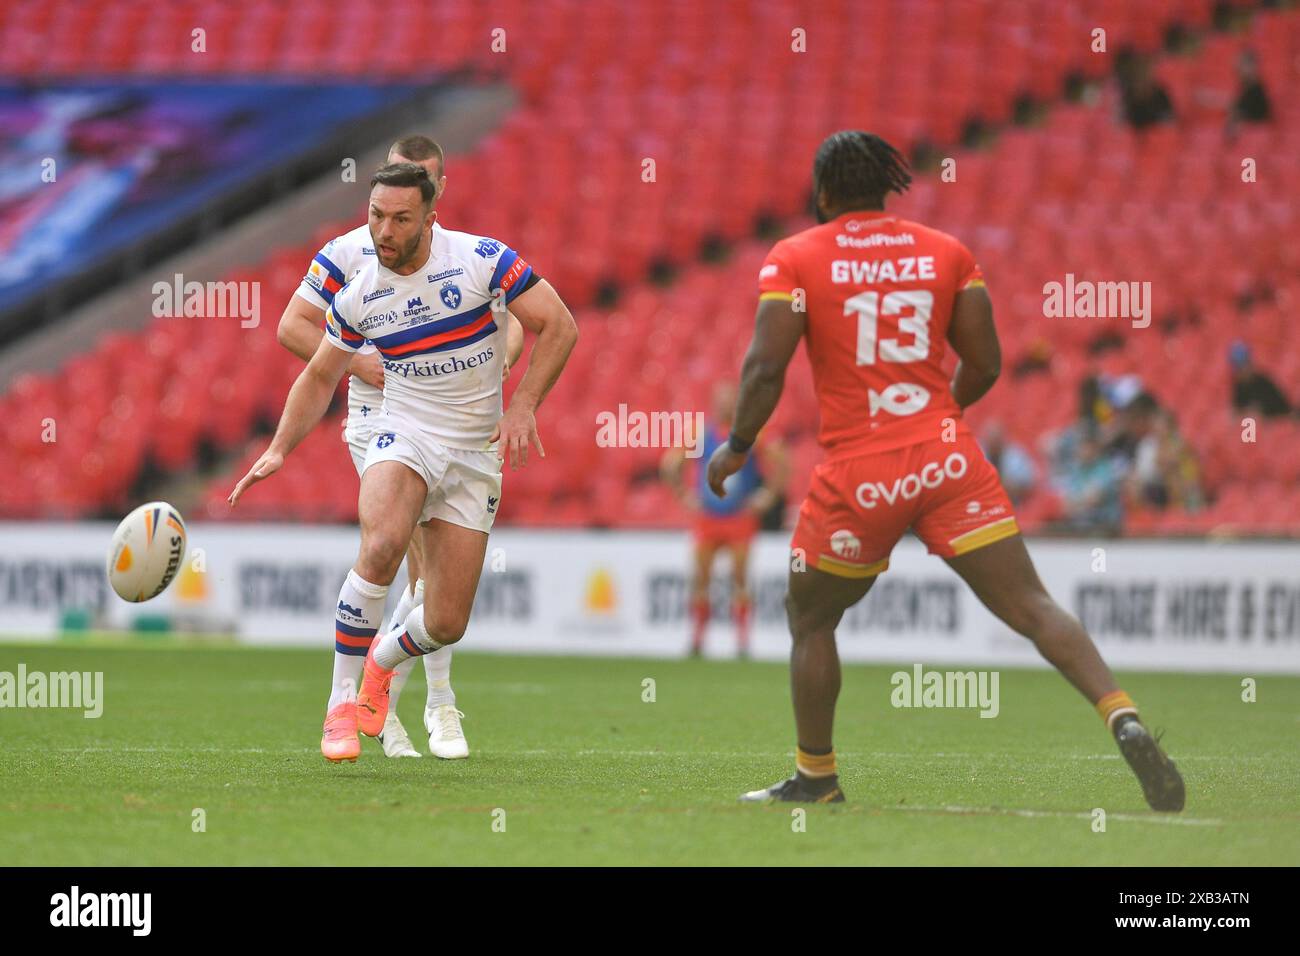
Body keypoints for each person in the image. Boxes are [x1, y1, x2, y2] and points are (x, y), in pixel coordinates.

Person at [707, 130, 1184, 811]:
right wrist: (937, 419)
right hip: (947, 456)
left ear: (822, 193)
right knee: (1033, 605)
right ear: (886, 187)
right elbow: (987, 362)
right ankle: (1121, 713)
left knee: (811, 621)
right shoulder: (946, 251)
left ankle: (816, 776)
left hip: (860, 471)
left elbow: (764, 369)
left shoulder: (796, 259)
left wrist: (738, 446)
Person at [231, 163, 577, 763]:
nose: (383, 232)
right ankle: (339, 707)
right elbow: (319, 374)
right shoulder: (361, 290)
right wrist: (279, 448)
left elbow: (559, 325)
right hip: (405, 430)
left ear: (430, 218)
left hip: (473, 453)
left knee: (445, 622)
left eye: (399, 219)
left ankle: (381, 663)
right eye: (375, 216)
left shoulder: (481, 261)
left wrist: (522, 405)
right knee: (383, 544)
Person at [277, 135, 525, 761]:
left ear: (434, 197)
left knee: (435, 587)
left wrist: (488, 368)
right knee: (393, 544)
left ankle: (419, 695)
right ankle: (367, 707)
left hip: (458, 424)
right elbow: (292, 328)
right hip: (382, 419)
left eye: (424, 184)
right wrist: (362, 365)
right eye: (381, 207)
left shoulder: (458, 256)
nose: (389, 221)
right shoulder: (349, 256)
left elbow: (520, 319)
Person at [661, 381, 787, 658]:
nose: (725, 405)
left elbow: (781, 461)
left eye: (730, 400)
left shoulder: (751, 434)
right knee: (701, 579)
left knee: (740, 578)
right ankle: (697, 639)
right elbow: (670, 464)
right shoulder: (701, 434)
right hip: (708, 516)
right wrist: (683, 496)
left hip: (738, 517)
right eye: (722, 400)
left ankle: (742, 641)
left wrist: (767, 495)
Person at [1230, 341, 1291, 418]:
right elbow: (1237, 410)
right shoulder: (1239, 387)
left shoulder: (1264, 382)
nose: (1243, 371)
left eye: (1245, 365)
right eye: (1239, 368)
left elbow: (1281, 408)